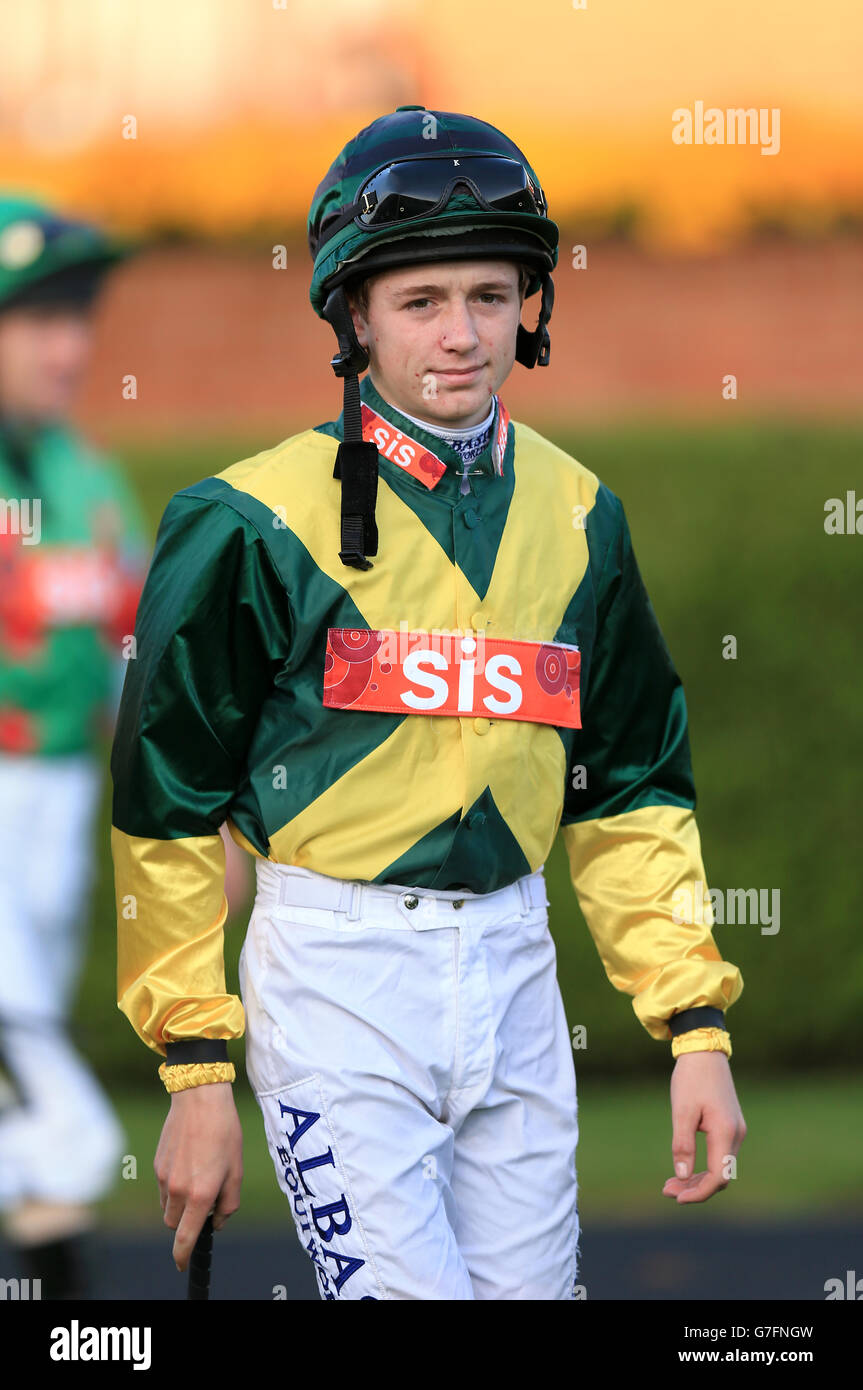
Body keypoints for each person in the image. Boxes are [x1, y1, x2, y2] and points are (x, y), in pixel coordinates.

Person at [110, 106, 745, 1301]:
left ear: (529, 306)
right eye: (421, 302)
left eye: (491, 297)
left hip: (515, 971)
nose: (462, 336)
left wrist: (691, 1026)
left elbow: (627, 787)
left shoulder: (581, 513)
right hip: (334, 976)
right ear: (354, 316)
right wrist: (195, 1070)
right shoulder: (243, 521)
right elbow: (168, 807)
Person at [0, 196, 149, 1297]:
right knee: (46, 1101)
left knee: (26, 1139)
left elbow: (135, 672)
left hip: (49, 828)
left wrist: (210, 824)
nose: (72, 344)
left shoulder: (89, 482)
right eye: (37, 315)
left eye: (78, 312)